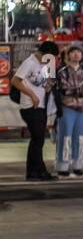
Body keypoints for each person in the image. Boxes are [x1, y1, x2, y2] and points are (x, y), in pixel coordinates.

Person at [12, 41, 58, 180]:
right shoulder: (30, 62)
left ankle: (33, 172)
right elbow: (15, 81)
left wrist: (48, 86)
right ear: (45, 53)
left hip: (40, 106)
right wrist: (32, 95)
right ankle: (39, 171)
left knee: (37, 140)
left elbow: (42, 84)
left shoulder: (43, 65)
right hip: (30, 107)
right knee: (38, 140)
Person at [54, 42, 83, 177]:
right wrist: (80, 90)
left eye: (79, 52)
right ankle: (62, 166)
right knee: (65, 137)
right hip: (67, 107)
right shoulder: (62, 72)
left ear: (82, 55)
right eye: (73, 51)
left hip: (82, 108)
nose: (76, 54)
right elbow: (64, 88)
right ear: (68, 55)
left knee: (80, 138)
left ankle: (78, 166)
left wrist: (75, 90)